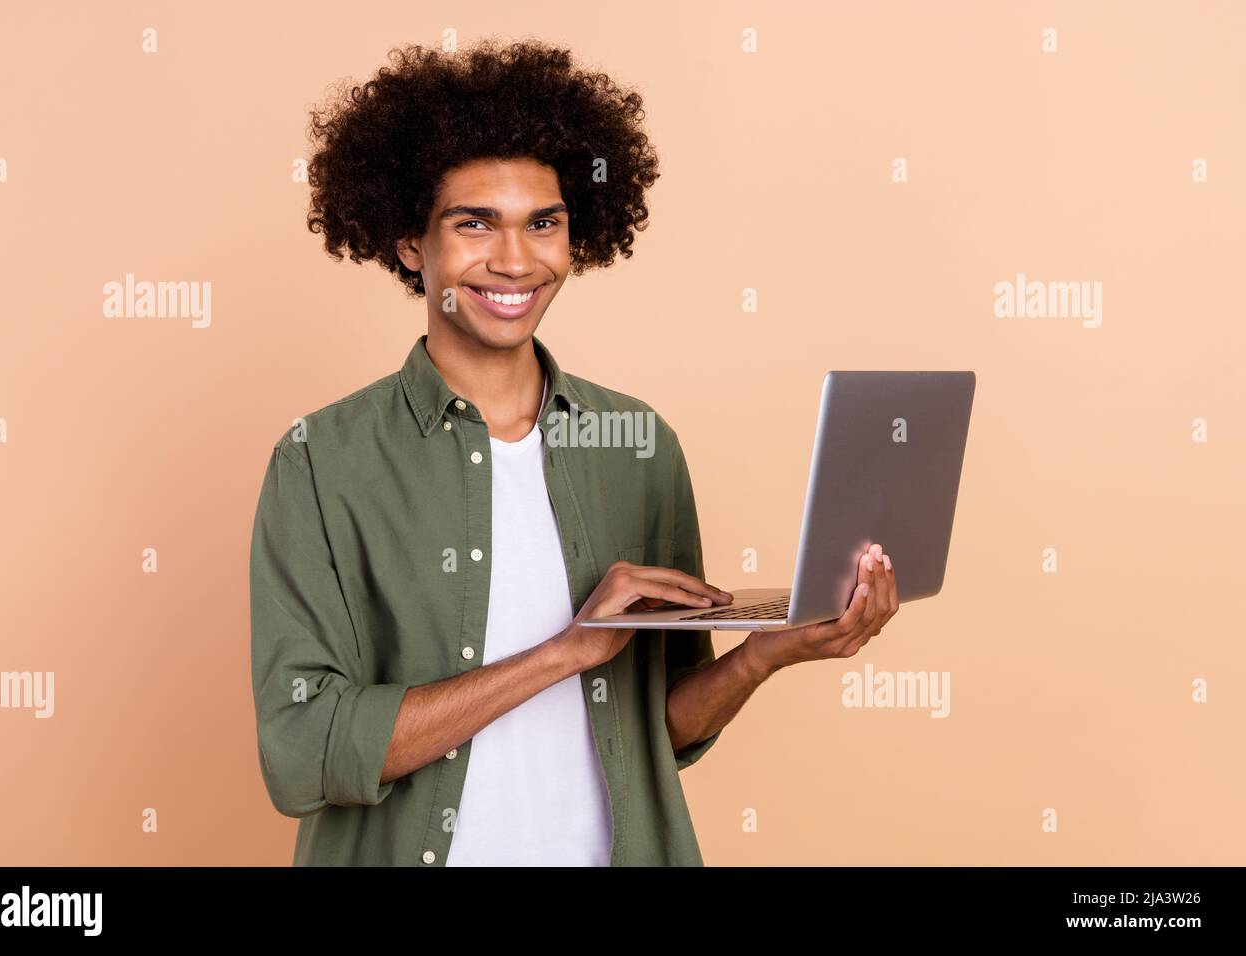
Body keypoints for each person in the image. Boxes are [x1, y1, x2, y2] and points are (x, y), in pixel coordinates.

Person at [248, 38, 899, 867]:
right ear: (412, 245)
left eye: (543, 223)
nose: (516, 260)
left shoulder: (638, 447)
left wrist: (767, 653)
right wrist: (566, 650)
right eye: (474, 222)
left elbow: (658, 726)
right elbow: (305, 752)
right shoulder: (320, 462)